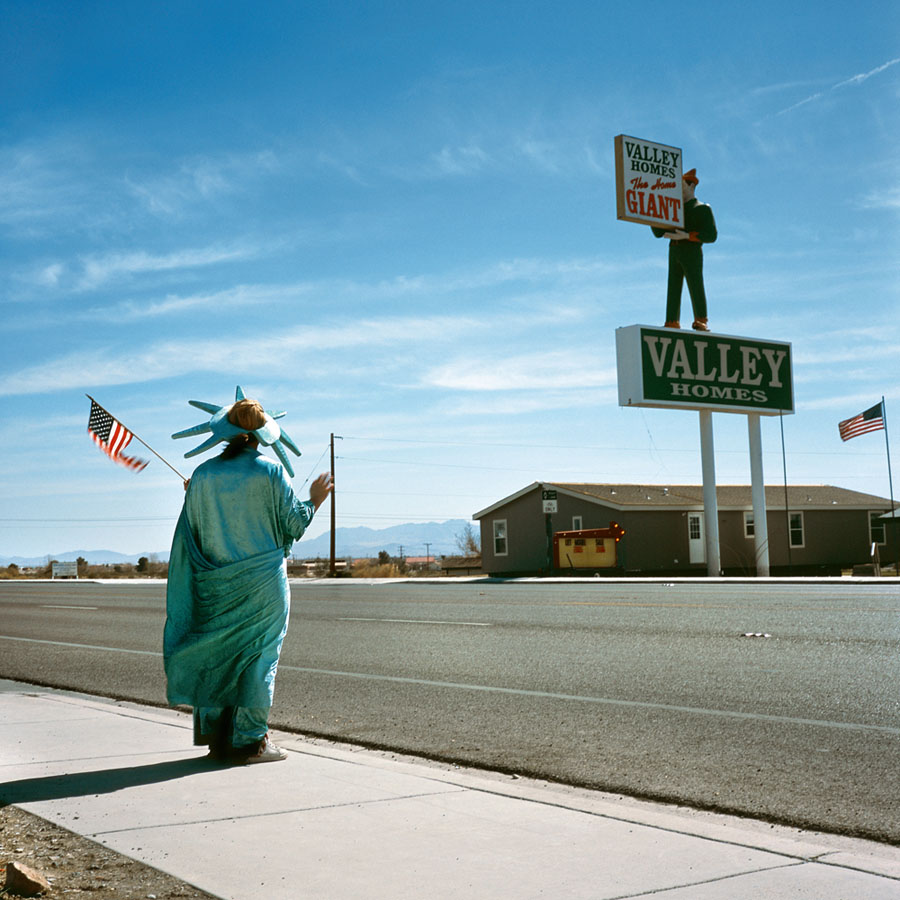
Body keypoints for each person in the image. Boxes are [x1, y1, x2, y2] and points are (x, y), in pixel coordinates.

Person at [164, 396, 332, 764]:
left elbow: (194, 532)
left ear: (225, 432)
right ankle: (252, 739)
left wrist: (196, 494)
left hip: (214, 584)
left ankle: (217, 738)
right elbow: (294, 525)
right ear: (261, 434)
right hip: (264, 586)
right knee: (259, 659)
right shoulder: (271, 472)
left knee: (216, 656)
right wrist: (315, 500)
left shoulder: (203, 476)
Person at [651, 168, 717, 331]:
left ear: (690, 186)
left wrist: (687, 236)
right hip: (674, 250)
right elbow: (658, 232)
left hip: (691, 251)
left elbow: (711, 235)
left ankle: (701, 319)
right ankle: (671, 320)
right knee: (673, 285)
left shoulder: (702, 208)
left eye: (680, 186)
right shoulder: (673, 210)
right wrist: (650, 215)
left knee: (695, 283)